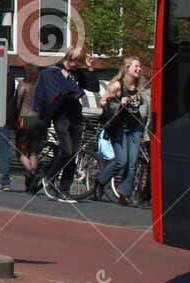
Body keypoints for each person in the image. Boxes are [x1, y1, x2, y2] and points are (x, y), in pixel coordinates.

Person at [35, 45, 88, 203]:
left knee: (74, 153)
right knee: (66, 150)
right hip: (61, 116)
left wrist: (90, 70)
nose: (77, 65)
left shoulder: (78, 74)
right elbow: (54, 95)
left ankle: (64, 189)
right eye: (75, 61)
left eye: (79, 62)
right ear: (69, 58)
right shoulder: (54, 72)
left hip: (76, 116)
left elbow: (93, 87)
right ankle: (50, 178)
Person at [93, 57, 145, 204]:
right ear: (127, 67)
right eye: (136, 66)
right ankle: (100, 182)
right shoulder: (117, 85)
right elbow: (102, 102)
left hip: (135, 127)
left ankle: (124, 194)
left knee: (132, 163)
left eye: (139, 67)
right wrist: (119, 102)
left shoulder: (138, 87)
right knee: (122, 161)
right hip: (119, 128)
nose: (139, 69)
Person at [13, 65, 44, 193]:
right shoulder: (41, 86)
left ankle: (32, 174)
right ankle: (32, 183)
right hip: (39, 120)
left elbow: (18, 103)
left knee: (20, 152)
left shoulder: (23, 84)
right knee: (33, 152)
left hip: (25, 119)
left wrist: (14, 119)